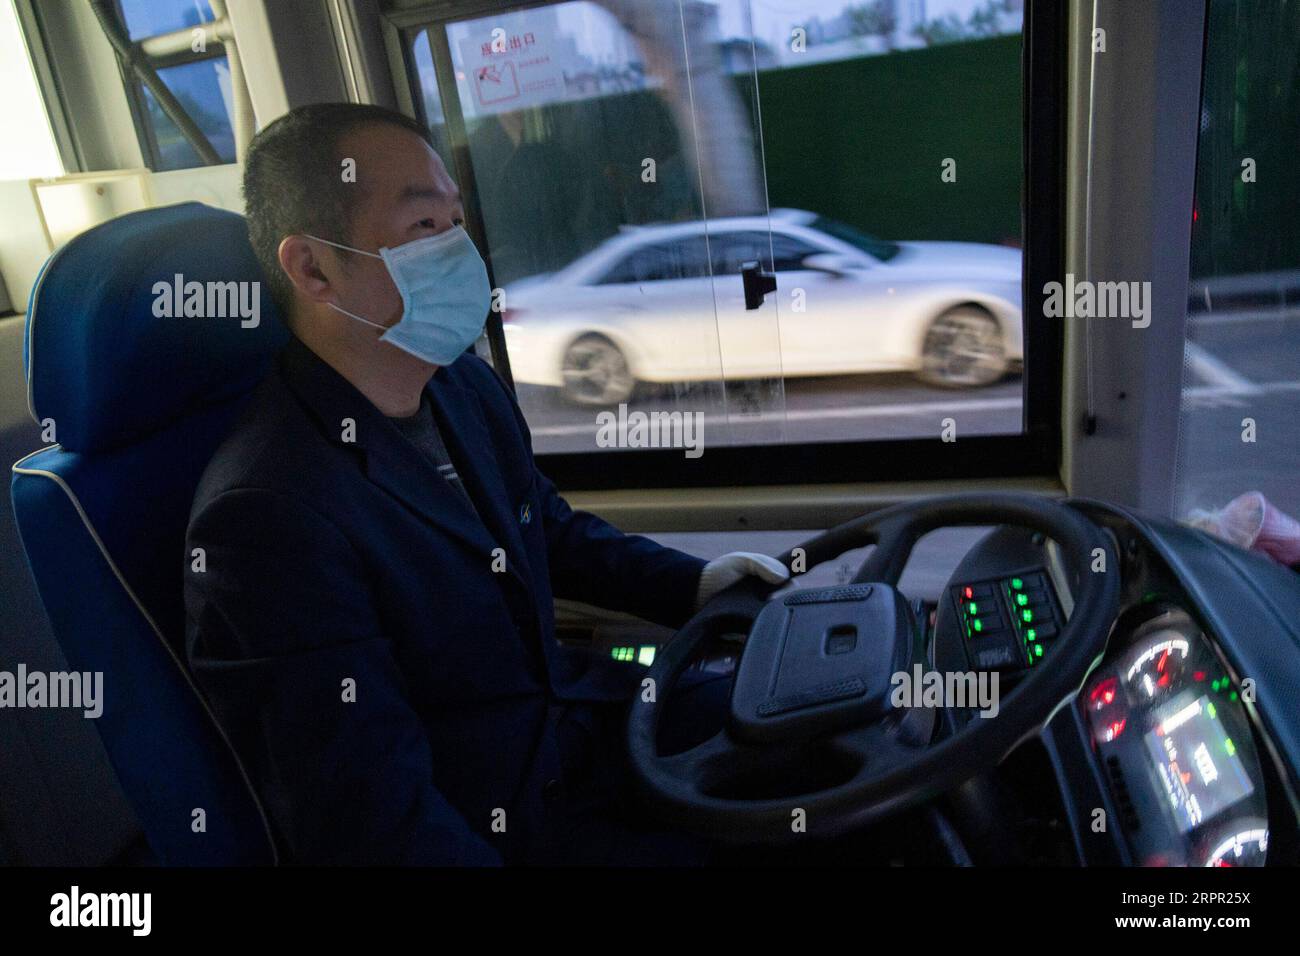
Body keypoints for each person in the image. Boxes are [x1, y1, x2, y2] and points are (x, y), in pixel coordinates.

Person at [183, 103, 788, 865]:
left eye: (457, 222)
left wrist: (696, 584)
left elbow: (550, 532)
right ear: (313, 269)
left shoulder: (461, 386)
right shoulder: (266, 516)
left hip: (582, 728)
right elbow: (376, 822)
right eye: (424, 229)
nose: (461, 252)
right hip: (504, 817)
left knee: (816, 723)